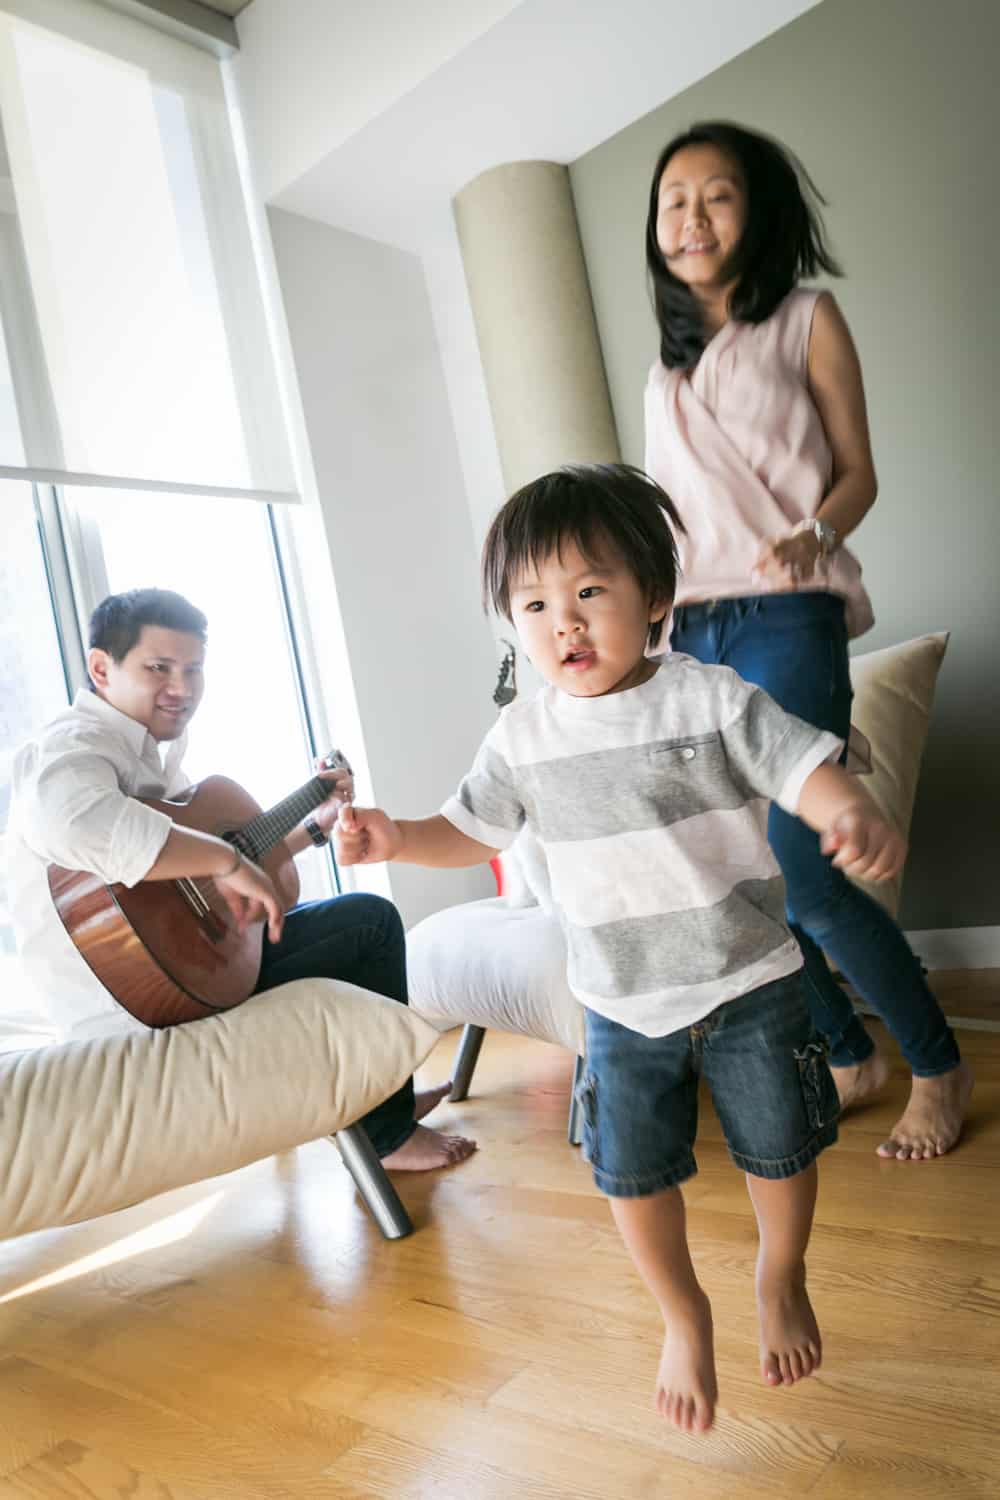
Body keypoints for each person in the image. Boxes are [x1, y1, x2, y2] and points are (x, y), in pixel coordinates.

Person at [332, 464, 907, 1433]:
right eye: (535, 602)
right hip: (619, 1001)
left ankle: (779, 1275)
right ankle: (681, 1315)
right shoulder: (519, 737)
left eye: (590, 592)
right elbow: (470, 832)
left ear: (654, 599)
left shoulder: (712, 700)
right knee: (630, 1173)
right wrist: (396, 838)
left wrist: (846, 805)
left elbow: (803, 766)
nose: (565, 622)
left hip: (748, 981)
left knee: (780, 1150)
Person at [643, 120, 971, 1161]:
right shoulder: (665, 370)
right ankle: (845, 1049)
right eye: (673, 201)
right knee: (735, 872)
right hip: (691, 625)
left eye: (717, 195)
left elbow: (858, 471)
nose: (692, 217)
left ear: (759, 210)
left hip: (787, 611)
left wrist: (814, 533)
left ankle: (934, 1064)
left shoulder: (805, 319)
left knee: (806, 865)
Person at [6, 588, 475, 1173]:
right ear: (102, 668)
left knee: (353, 922)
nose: (181, 688)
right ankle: (383, 1130)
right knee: (368, 923)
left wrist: (316, 825)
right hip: (131, 996)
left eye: (193, 669)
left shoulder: (152, 753)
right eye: (158, 668)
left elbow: (213, 867)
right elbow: (73, 821)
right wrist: (225, 862)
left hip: (175, 965)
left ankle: (380, 1103)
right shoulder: (71, 748)